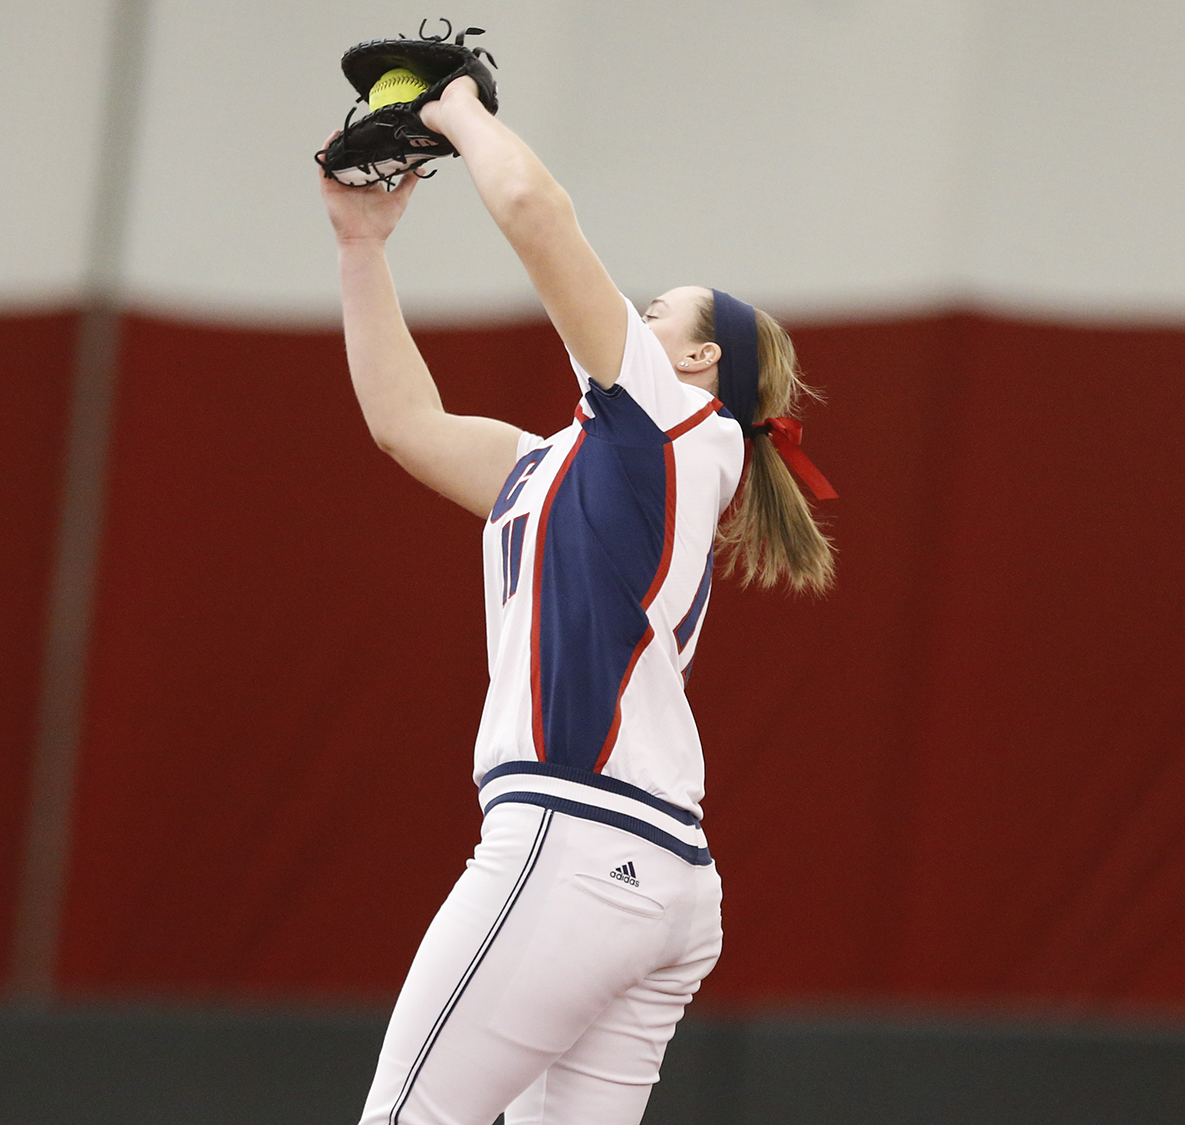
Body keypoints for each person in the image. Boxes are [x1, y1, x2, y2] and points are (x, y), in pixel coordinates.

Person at [320, 74, 835, 1125]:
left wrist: (454, 106)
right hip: (653, 871)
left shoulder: (678, 422)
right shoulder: (561, 462)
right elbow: (402, 423)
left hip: (573, 835)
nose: (632, 320)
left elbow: (534, 215)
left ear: (695, 359)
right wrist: (359, 245)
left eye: (656, 314)